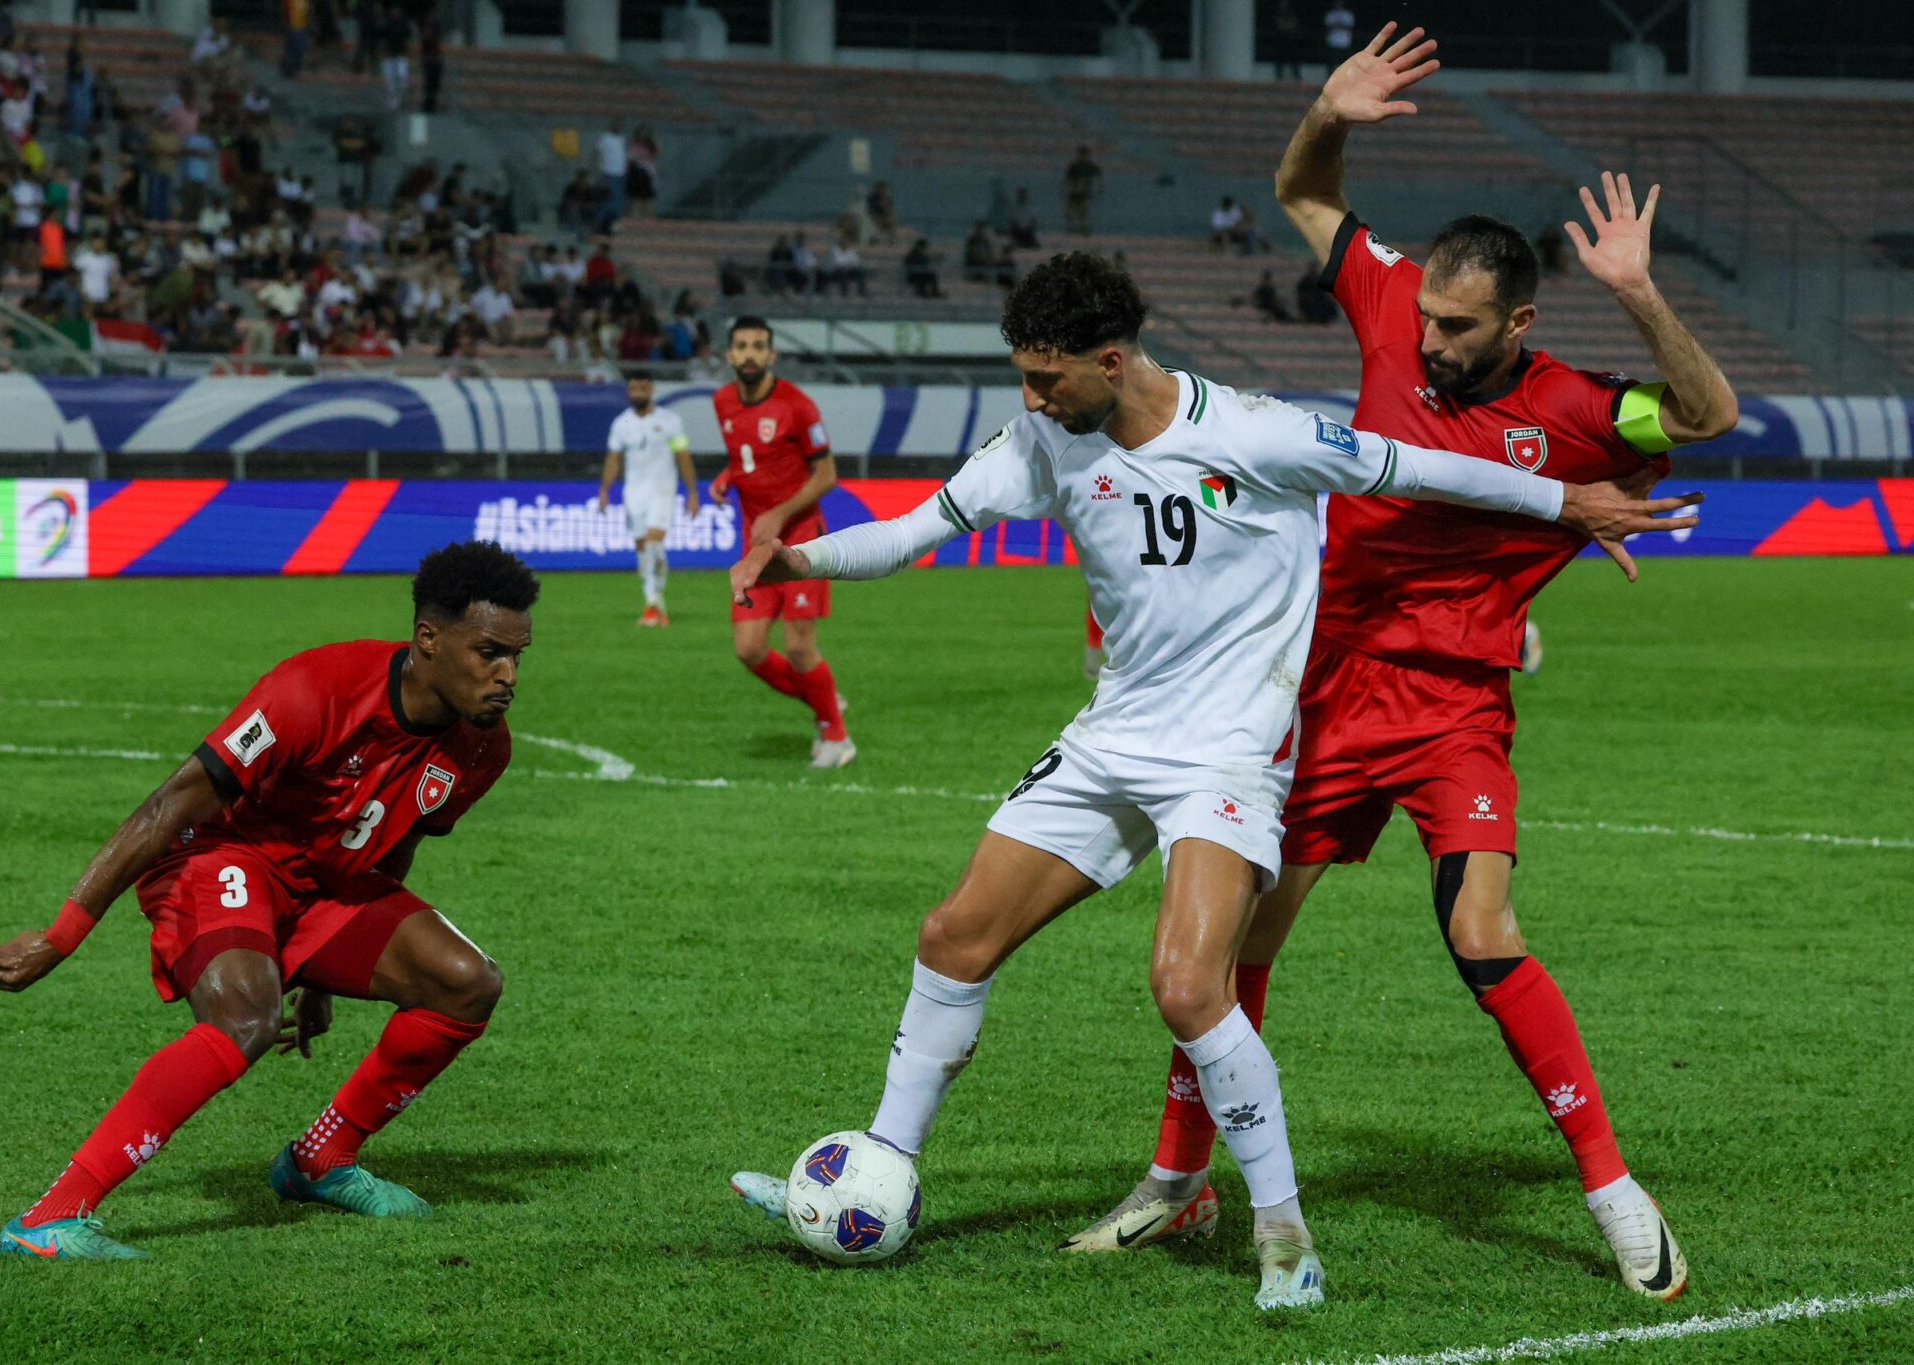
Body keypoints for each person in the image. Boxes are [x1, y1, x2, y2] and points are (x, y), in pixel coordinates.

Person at [724, 250, 1697, 1310]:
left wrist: (1566, 502)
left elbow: (1420, 468)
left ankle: (1283, 1235)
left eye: (1047, 377)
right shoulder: (1044, 440)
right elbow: (916, 531)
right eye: (1024, 377)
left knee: (1190, 985)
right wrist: (800, 560)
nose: (1031, 398)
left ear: (1110, 360)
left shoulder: (1255, 432)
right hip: (1112, 738)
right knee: (952, 937)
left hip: (1227, 754)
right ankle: (879, 1167)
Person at [1068, 25, 1736, 1304]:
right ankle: (1177, 1182)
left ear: (1517, 323)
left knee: (1481, 935)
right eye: (1423, 315)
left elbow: (1706, 417)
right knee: (1231, 947)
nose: (1426, 341)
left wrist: (1640, 294)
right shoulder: (1389, 302)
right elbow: (1303, 193)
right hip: (1318, 689)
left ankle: (1611, 1190)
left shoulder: (1576, 409)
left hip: (1449, 709)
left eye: (1457, 326)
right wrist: (1326, 111)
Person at [0, 543, 539, 1261]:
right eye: (490, 652)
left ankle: (321, 1159)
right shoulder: (317, 689)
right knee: (245, 1018)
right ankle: (49, 1218)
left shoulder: (484, 749)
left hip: (321, 883)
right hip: (218, 854)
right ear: (428, 639)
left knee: (467, 983)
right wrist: (60, 935)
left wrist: (325, 976)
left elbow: (394, 839)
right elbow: (168, 805)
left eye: (518, 656)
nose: (507, 675)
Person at [709, 317, 854, 768]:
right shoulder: (722, 401)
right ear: (729, 355)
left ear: (772, 355)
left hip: (800, 539)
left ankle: (837, 737)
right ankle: (824, 700)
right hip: (757, 545)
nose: (749, 354)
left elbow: (826, 475)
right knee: (749, 649)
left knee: (798, 647)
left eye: (758, 346)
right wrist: (729, 476)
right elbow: (750, 455)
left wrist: (778, 513)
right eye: (741, 346)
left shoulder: (798, 406)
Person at [600, 370, 700, 626]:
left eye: (642, 388)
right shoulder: (621, 423)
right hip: (634, 492)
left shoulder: (671, 421)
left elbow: (683, 455)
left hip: (662, 490)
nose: (638, 393)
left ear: (651, 389)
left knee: (654, 541)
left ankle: (654, 602)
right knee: (642, 547)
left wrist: (692, 492)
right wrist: (605, 490)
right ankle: (652, 599)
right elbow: (613, 459)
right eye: (634, 389)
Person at [595, 119, 627, 230]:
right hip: (608, 173)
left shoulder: (622, 139)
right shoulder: (605, 138)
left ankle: (612, 223)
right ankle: (600, 224)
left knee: (617, 201)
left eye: (621, 126)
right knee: (606, 201)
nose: (620, 128)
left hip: (620, 174)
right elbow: (597, 155)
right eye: (617, 126)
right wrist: (600, 172)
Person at [1063, 144, 1101, 236]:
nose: (1083, 156)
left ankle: (1082, 228)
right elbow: (1068, 178)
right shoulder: (1075, 165)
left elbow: (1098, 176)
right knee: (1072, 210)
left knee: (1083, 210)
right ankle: (1074, 228)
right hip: (1075, 190)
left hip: (1083, 190)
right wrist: (1067, 188)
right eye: (1082, 153)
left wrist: (1099, 188)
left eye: (1084, 154)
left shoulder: (1089, 166)